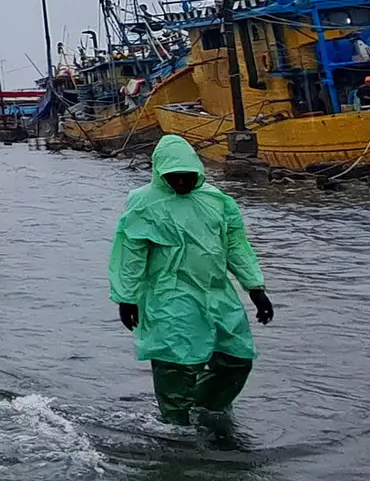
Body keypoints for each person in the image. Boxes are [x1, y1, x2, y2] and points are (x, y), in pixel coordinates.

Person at [108, 134, 276, 425]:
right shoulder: (143, 203)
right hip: (170, 293)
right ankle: (176, 425)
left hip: (217, 291)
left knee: (237, 358)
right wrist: (127, 297)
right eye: (174, 177)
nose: (181, 183)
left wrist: (255, 288)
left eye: (187, 177)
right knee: (176, 361)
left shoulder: (217, 201)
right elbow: (130, 252)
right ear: (160, 173)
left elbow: (236, 245)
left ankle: (207, 406)